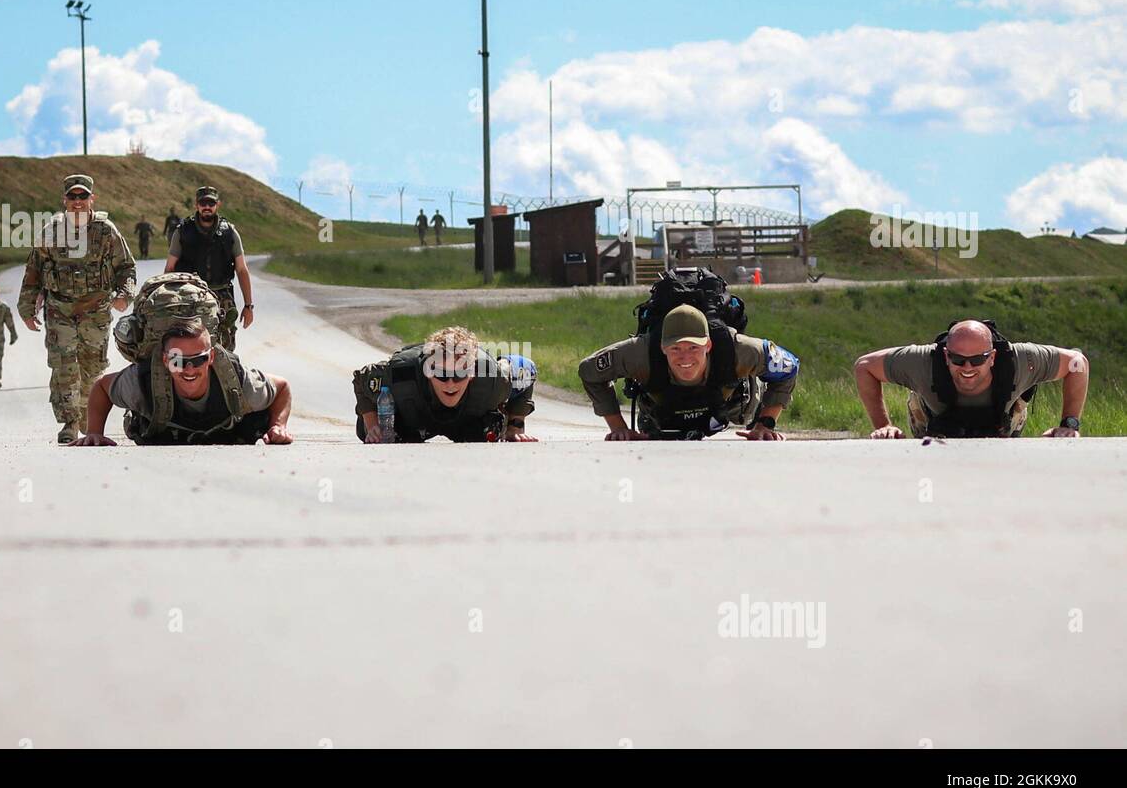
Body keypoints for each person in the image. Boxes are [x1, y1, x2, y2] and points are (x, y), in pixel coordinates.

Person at [18, 173, 137, 444]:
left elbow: (126, 267)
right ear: (64, 200)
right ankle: (69, 422)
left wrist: (124, 294)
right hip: (59, 308)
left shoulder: (106, 231)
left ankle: (86, 412)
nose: (77, 201)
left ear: (92, 199)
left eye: (83, 196)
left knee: (92, 367)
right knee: (63, 366)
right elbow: (33, 270)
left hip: (96, 310)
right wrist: (27, 308)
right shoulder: (51, 231)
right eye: (72, 197)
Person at [577, 304, 799, 441]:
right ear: (663, 347)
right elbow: (589, 370)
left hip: (728, 403)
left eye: (694, 347)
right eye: (675, 348)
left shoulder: (739, 349)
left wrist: (766, 424)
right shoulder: (640, 352)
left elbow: (789, 366)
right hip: (661, 407)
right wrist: (618, 428)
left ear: (708, 346)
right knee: (656, 425)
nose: (685, 357)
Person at [853, 319, 1088, 438]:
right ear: (945, 355)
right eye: (957, 359)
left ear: (993, 356)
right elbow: (865, 366)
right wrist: (884, 427)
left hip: (1002, 419)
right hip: (934, 422)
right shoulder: (923, 361)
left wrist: (1068, 425)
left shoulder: (1020, 360)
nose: (967, 367)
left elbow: (1077, 363)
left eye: (977, 360)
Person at [73, 321, 293, 446]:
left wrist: (278, 426)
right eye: (178, 361)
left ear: (211, 358)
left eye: (198, 360)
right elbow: (102, 387)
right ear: (165, 359)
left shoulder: (237, 383)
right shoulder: (143, 381)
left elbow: (282, 387)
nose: (189, 369)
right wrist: (95, 432)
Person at [352, 325, 538, 443]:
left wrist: (516, 426)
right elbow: (361, 378)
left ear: (472, 373)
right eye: (441, 374)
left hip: (468, 421)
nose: (450, 384)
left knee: (480, 435)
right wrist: (373, 424)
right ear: (428, 371)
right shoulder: (402, 373)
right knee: (368, 433)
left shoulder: (491, 378)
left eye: (459, 374)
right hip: (413, 419)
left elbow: (527, 369)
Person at [164, 186, 254, 351]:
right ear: (196, 205)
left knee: (225, 350)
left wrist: (248, 306)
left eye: (210, 203)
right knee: (190, 347)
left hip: (222, 299)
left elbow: (242, 270)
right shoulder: (183, 231)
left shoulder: (229, 232)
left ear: (217, 205)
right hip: (189, 297)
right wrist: (168, 302)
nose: (207, 207)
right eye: (203, 203)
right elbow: (170, 269)